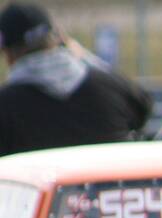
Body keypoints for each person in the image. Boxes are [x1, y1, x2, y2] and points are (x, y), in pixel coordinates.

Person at [0, 4, 152, 157]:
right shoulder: (112, 85)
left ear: (8, 54)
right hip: (114, 178)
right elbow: (143, 109)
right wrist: (84, 56)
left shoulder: (5, 104)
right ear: (59, 38)